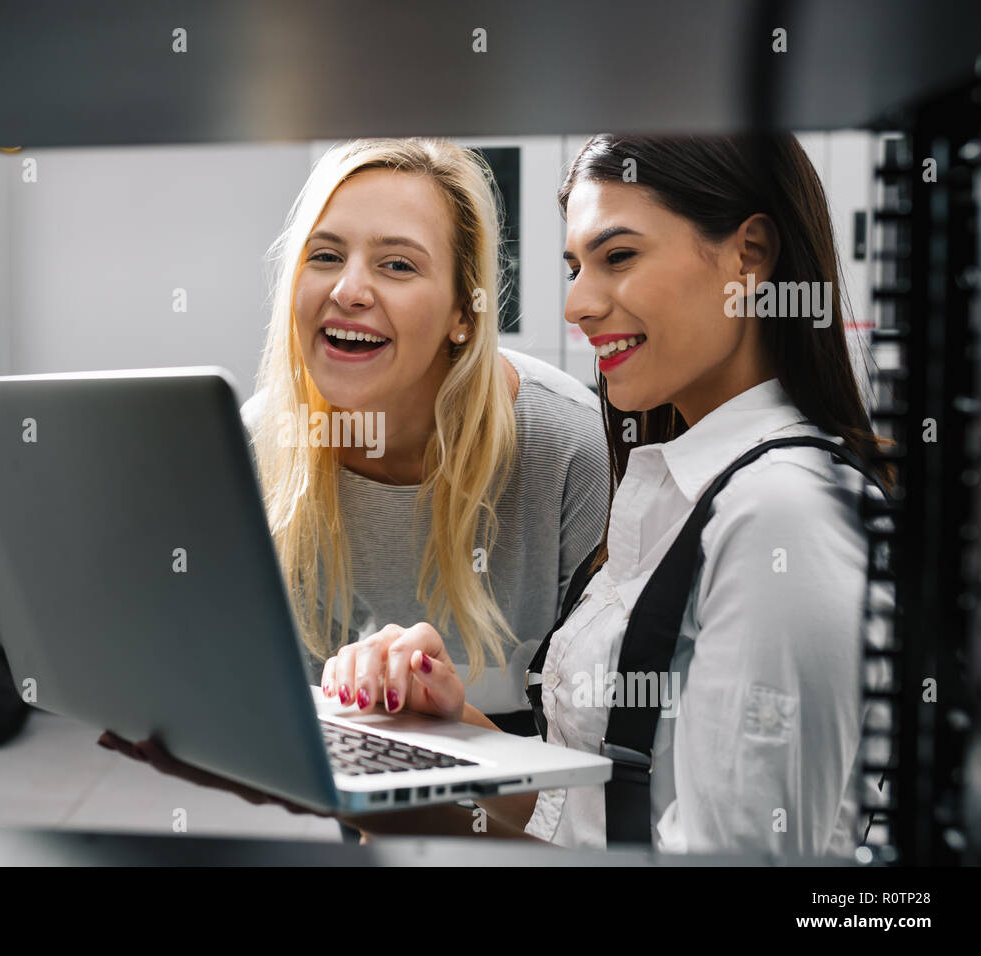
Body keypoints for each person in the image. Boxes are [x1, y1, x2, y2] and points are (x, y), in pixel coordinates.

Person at [103, 132, 889, 856]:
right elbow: (580, 822)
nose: (579, 303)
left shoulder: (781, 516)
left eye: (617, 256)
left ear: (749, 256)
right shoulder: (682, 487)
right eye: (576, 265)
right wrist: (447, 734)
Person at [239, 137, 609, 729]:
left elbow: (596, 752)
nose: (348, 291)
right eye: (325, 256)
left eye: (397, 265)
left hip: (524, 799)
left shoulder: (570, 447)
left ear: (464, 313)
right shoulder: (257, 446)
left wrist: (444, 722)